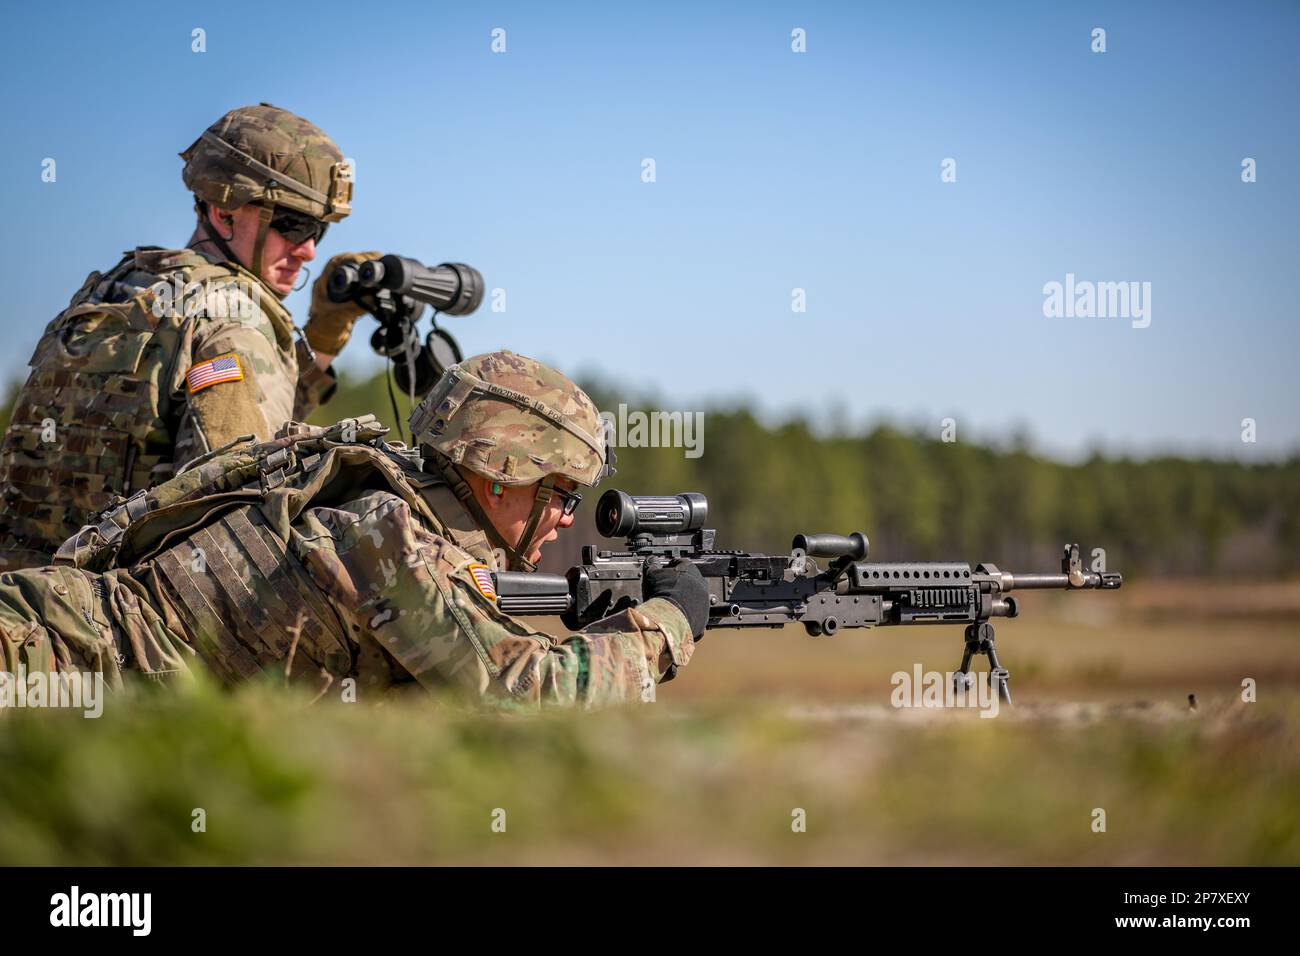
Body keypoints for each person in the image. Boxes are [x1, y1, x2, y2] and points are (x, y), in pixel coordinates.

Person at [0, 352, 709, 709]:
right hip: (47, 661)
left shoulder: (384, 494)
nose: (567, 518)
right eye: (561, 495)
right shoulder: (390, 535)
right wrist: (667, 625)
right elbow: (519, 691)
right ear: (501, 474)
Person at [0, 103, 377, 571]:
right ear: (224, 211)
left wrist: (323, 335)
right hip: (111, 606)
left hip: (25, 597)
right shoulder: (235, 319)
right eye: (292, 224)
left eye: (318, 229)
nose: (309, 250)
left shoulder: (122, 286)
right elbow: (233, 516)